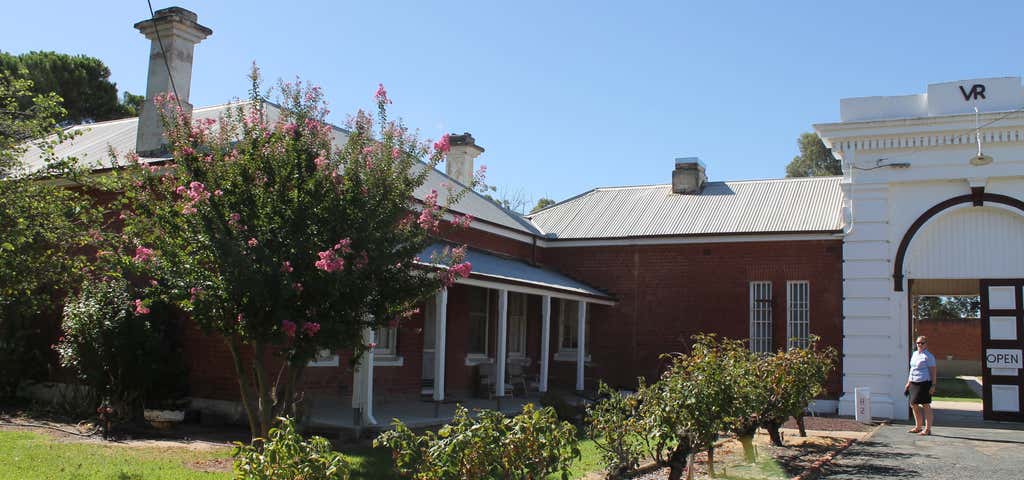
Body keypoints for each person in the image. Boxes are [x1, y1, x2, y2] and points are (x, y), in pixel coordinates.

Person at [905, 335, 937, 435]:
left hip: (924, 383)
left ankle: (927, 429)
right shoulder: (914, 354)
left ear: (926, 344)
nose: (919, 345)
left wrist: (933, 385)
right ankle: (918, 427)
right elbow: (912, 369)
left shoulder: (929, 356)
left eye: (922, 343)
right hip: (914, 382)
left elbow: (933, 372)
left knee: (925, 404)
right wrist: (908, 382)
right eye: (918, 343)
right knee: (913, 404)